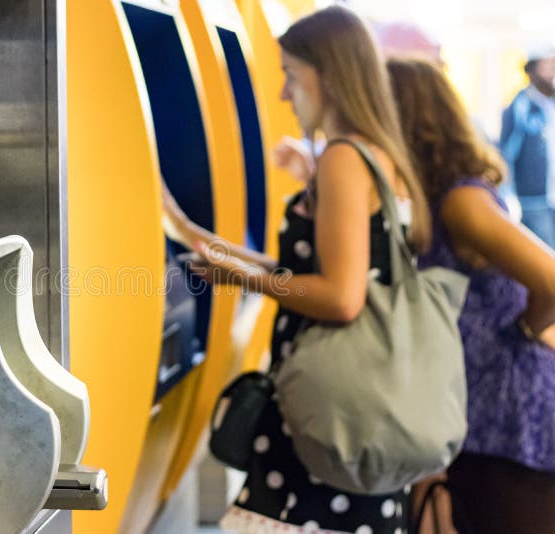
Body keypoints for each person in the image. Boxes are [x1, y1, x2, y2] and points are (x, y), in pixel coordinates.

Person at [162, 6, 430, 532]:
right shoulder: (379, 154)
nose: (284, 93)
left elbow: (340, 296)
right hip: (356, 407)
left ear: (327, 75)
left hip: (326, 413)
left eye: (290, 75)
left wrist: (241, 278)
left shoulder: (343, 160)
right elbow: (313, 267)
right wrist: (205, 240)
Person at [387, 57, 555, 534]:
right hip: (480, 416)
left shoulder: (461, 201)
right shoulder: (436, 198)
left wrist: (525, 327)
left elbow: (551, 279)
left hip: (511, 416)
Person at [499, 42, 555, 247]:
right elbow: (507, 152)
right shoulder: (521, 105)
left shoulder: (550, 103)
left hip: (552, 196)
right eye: (546, 64)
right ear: (531, 69)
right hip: (533, 200)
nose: (552, 70)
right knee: (545, 258)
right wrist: (508, 194)